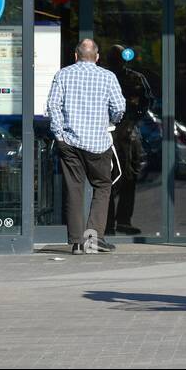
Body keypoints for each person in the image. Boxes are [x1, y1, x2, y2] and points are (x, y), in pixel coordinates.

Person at [47, 39, 126, 255]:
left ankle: (76, 242)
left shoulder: (63, 75)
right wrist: (112, 120)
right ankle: (93, 239)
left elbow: (53, 105)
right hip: (98, 143)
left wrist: (59, 134)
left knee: (74, 189)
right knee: (102, 186)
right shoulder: (108, 77)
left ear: (75, 55)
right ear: (97, 57)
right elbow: (119, 108)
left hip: (69, 142)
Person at [103, 44, 153, 236]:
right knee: (109, 176)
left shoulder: (135, 78)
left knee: (129, 175)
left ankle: (123, 220)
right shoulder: (104, 77)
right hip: (108, 132)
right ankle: (108, 222)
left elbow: (147, 101)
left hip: (128, 132)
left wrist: (134, 118)